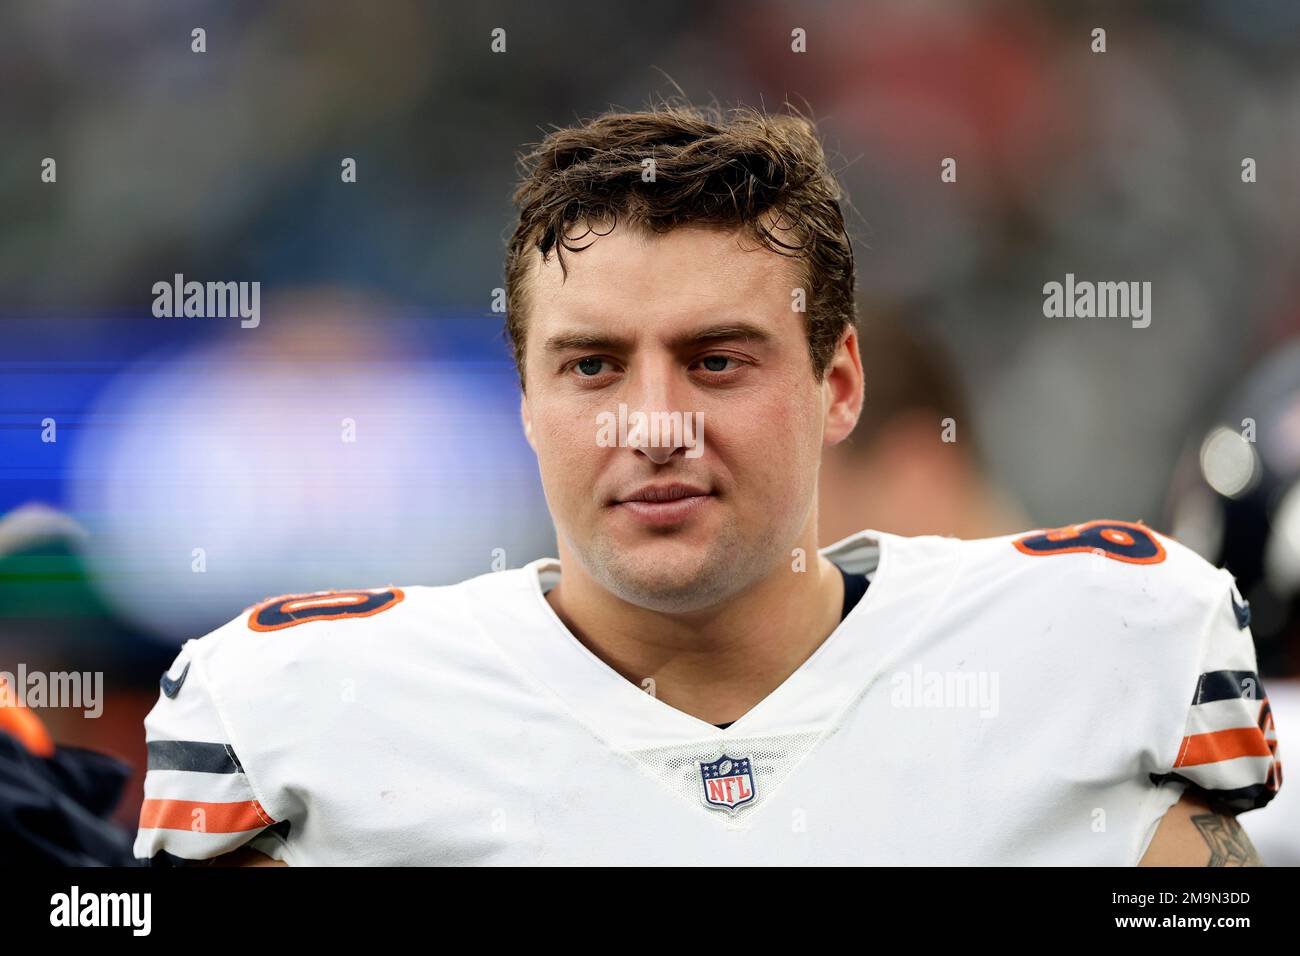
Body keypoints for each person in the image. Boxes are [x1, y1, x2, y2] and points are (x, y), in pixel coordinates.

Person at [134, 102, 1279, 865]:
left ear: (838, 385)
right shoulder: (292, 712)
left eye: (716, 360)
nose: (654, 424)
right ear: (526, 400)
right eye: (591, 365)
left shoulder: (1108, 644)